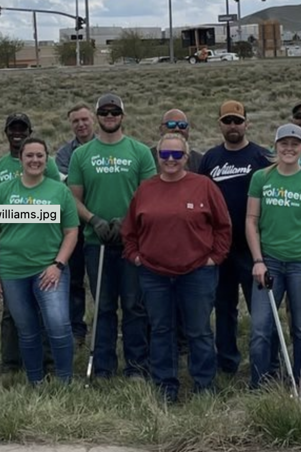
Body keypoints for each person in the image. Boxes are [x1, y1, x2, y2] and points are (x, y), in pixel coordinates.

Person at [122, 133, 231, 402]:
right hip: (154, 274)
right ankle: (165, 387)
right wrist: (136, 257)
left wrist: (214, 258)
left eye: (176, 155)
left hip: (197, 273)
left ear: (186, 157)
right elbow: (130, 231)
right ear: (157, 157)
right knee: (161, 330)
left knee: (199, 330)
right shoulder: (146, 189)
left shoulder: (203, 186)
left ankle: (204, 385)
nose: (170, 160)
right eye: (164, 155)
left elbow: (223, 226)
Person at [68, 93, 155, 379]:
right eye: (104, 112)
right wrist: (95, 220)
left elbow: (149, 196)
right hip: (97, 243)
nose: (109, 116)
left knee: (134, 305)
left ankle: (137, 366)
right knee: (104, 306)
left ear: (122, 115)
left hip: (132, 242)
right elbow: (74, 199)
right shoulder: (82, 155)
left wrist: (127, 221)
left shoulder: (139, 152)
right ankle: (103, 366)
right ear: (97, 116)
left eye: (114, 111)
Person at [0, 138, 80, 384]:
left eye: (40, 156)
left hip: (48, 271)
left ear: (47, 159)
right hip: (12, 273)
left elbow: (71, 232)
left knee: (58, 326)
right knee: (26, 331)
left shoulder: (59, 191)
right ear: (21, 159)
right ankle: (34, 381)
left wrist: (58, 265)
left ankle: (64, 380)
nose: (35, 160)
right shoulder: (5, 191)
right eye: (30, 156)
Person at [246, 124, 301, 395]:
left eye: (295, 144)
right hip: (269, 262)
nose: (289, 149)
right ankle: (260, 386)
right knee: (260, 328)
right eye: (284, 143)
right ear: (275, 145)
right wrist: (258, 260)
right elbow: (251, 220)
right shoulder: (261, 178)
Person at [198, 100, 274, 374]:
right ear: (219, 124)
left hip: (253, 249)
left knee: (261, 309)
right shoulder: (210, 159)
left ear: (247, 123)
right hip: (219, 248)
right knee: (224, 307)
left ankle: (267, 363)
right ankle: (227, 362)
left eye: (237, 121)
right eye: (227, 121)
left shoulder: (262, 158)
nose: (233, 126)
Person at [0, 112, 62, 371]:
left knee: (46, 311)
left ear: (30, 132)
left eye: (23, 129)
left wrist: (18, 214)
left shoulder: (47, 164)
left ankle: (49, 362)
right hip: (11, 254)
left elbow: (55, 202)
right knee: (11, 313)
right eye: (13, 129)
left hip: (43, 249)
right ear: (6, 132)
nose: (17, 133)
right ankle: (11, 363)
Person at [55, 104, 96, 345]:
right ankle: (76, 330)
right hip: (74, 226)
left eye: (84, 119)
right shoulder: (64, 154)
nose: (81, 125)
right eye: (75, 121)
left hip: (104, 224)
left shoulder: (106, 147)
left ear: (93, 120)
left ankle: (105, 326)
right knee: (75, 279)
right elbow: (67, 186)